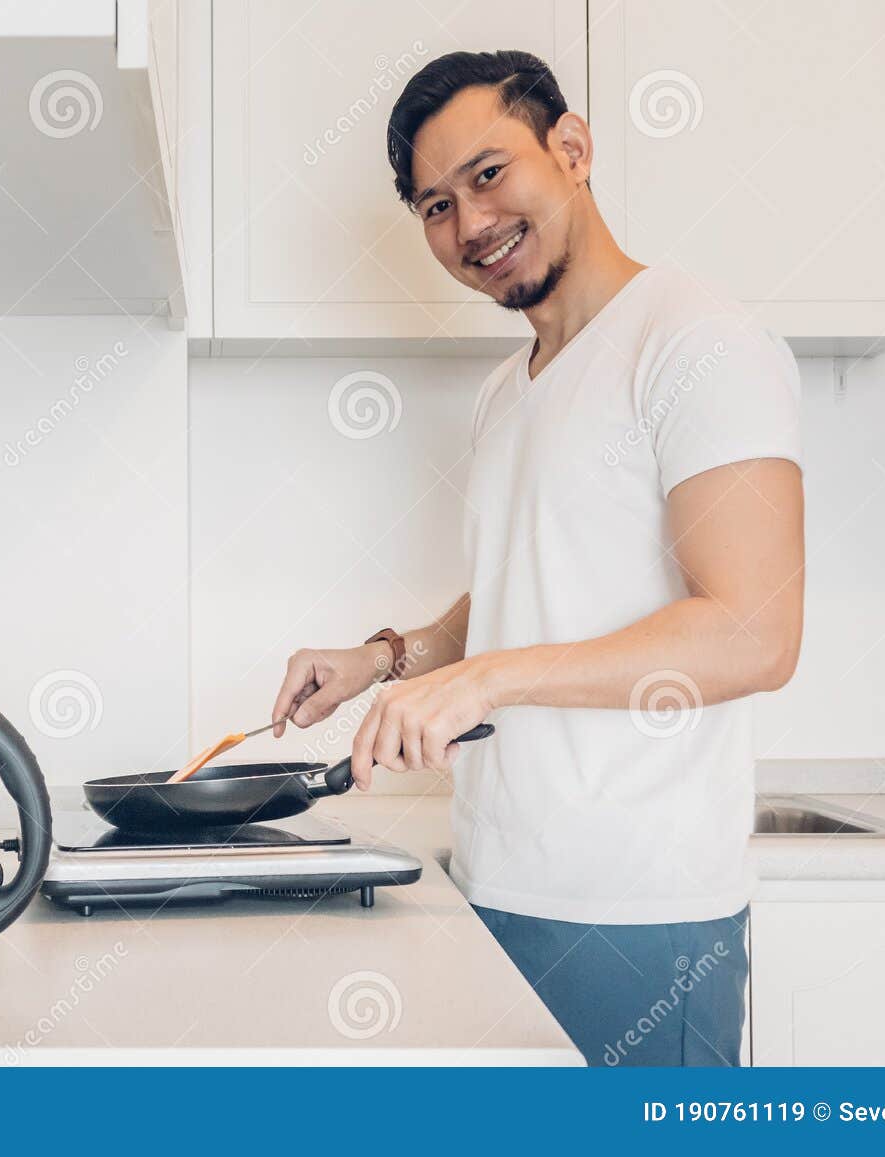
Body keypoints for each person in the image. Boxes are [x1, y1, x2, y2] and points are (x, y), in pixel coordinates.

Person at [269, 50, 804, 1067]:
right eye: (433, 204)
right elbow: (528, 590)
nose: (467, 223)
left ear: (571, 146)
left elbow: (753, 629)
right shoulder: (508, 391)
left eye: (485, 173)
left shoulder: (696, 340)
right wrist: (385, 657)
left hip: (639, 914)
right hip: (496, 884)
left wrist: (483, 681)